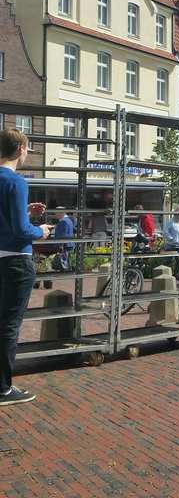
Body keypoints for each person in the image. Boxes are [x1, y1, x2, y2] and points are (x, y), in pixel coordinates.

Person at [0, 129, 52, 405]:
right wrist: (39, 229)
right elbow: (21, 230)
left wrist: (24, 211)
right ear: (20, 148)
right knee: (9, 325)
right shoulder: (17, 182)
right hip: (16, 261)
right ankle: (3, 388)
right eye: (27, 148)